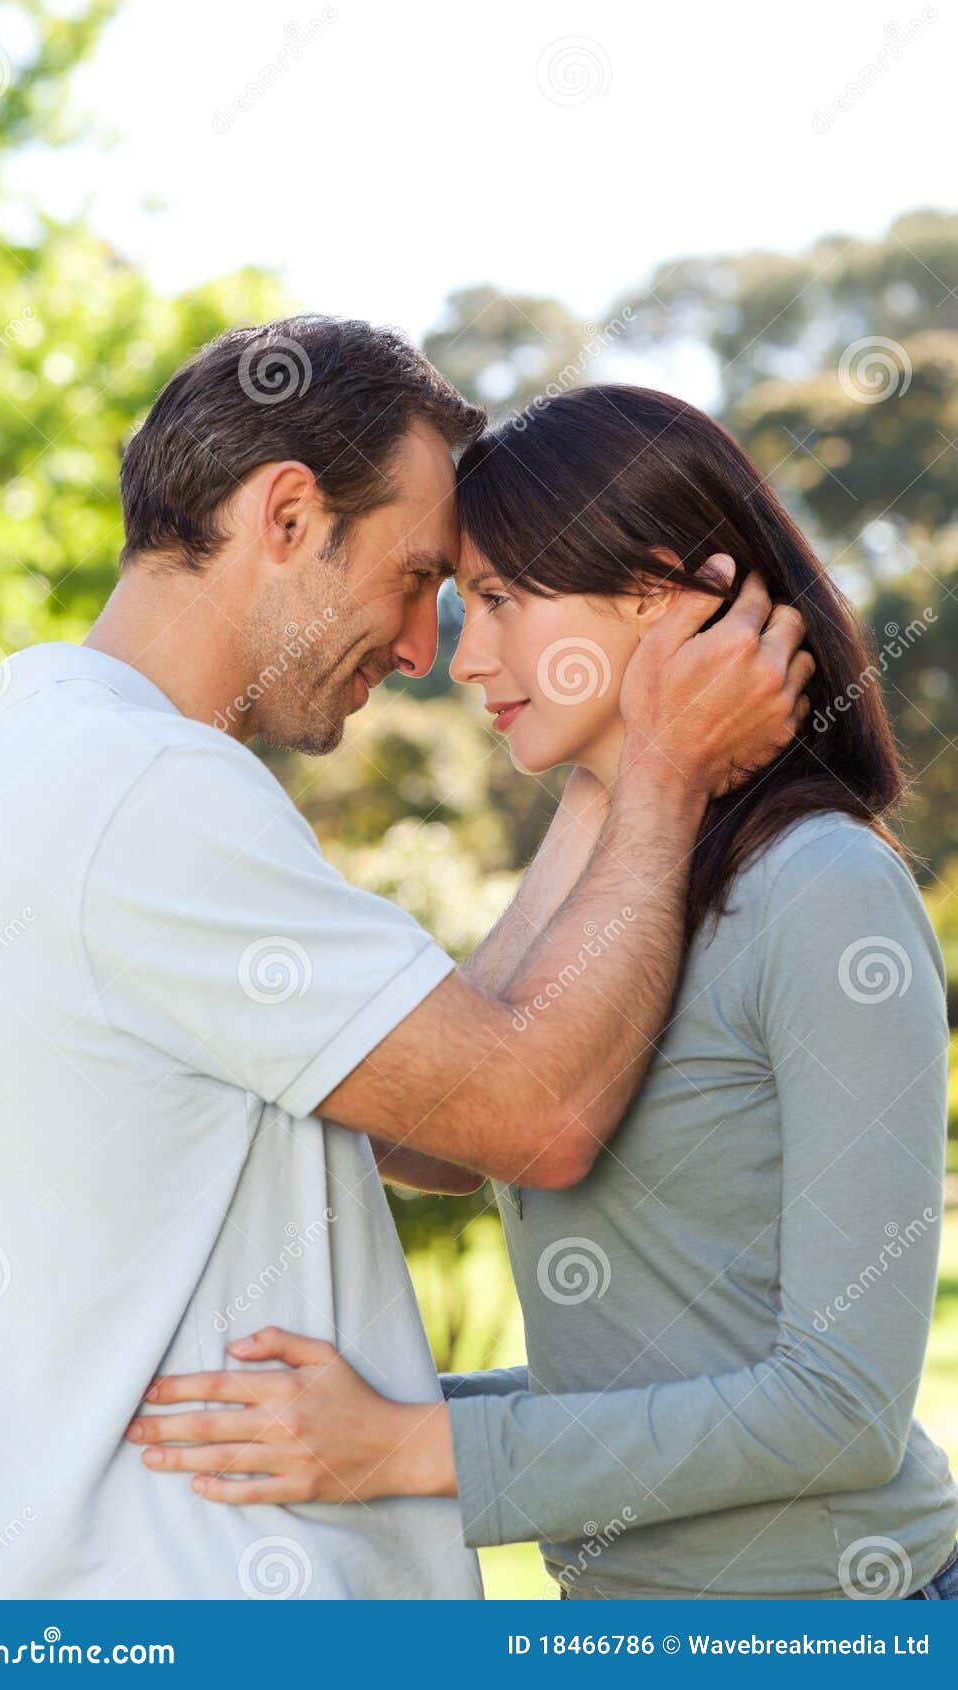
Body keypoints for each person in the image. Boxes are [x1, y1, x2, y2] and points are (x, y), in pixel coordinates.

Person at [0, 326, 805, 1600]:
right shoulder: (149, 795)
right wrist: (664, 769)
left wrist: (604, 767)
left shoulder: (45, 773)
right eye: (413, 577)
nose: (418, 646)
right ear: (284, 513)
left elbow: (441, 1123)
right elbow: (533, 1117)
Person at [134, 383, 958, 1603]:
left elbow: (836, 1410)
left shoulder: (823, 892)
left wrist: (410, 1444)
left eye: (504, 603)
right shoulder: (622, 897)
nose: (463, 658)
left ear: (663, 591)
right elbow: (451, 1140)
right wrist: (612, 786)